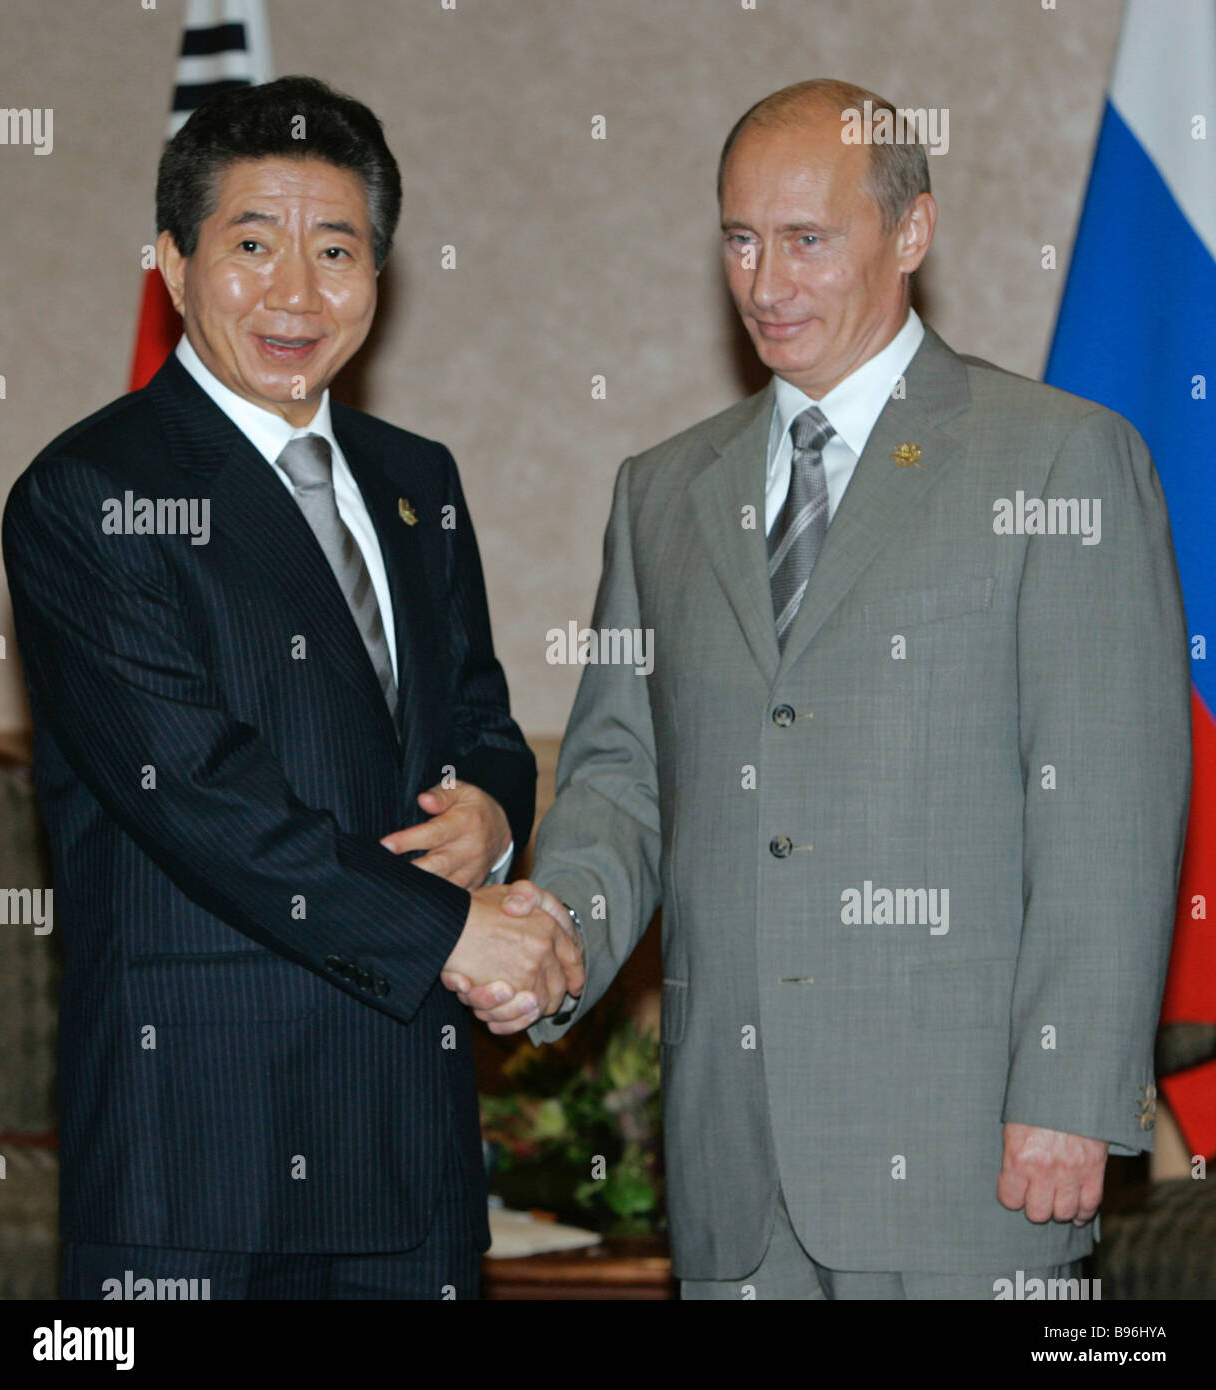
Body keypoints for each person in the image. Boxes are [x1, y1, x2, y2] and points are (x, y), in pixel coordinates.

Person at [449, 78, 1191, 1299]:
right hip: (734, 1169)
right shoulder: (663, 491)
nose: (764, 281)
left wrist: (1068, 1090)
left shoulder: (1062, 457)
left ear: (911, 233)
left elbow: (1107, 801)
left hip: (977, 1169)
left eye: (806, 239)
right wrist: (561, 936)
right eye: (740, 239)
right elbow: (622, 775)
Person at [2, 75, 582, 1301]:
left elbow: (480, 710)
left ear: (380, 274)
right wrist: (460, 932)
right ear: (171, 261)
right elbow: (203, 799)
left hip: (411, 1143)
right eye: (251, 245)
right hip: (201, 1150)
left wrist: (490, 803)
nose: (296, 293)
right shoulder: (92, 492)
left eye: (337, 250)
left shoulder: (417, 478)